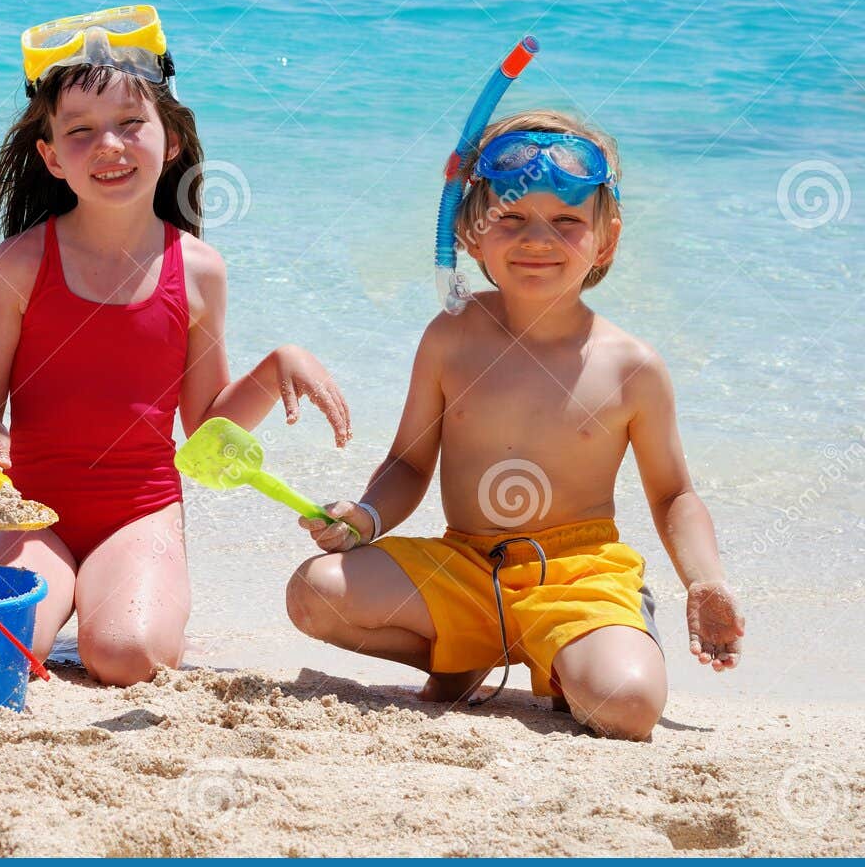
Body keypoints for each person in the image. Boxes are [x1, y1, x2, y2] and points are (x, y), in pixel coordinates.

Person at [286, 108, 744, 739]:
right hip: (465, 567)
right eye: (511, 217)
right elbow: (410, 463)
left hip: (580, 575)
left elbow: (673, 494)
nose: (537, 240)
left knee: (628, 708)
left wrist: (705, 580)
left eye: (567, 221)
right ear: (472, 234)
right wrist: (367, 516)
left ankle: (573, 646)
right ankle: (471, 650)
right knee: (314, 593)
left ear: (606, 240)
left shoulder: (631, 367)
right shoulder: (451, 337)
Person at [0, 5, 351, 686]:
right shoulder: (19, 265)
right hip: (34, 512)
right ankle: (66, 583)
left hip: (139, 512)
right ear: (51, 157)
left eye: (130, 123)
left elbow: (204, 426)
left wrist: (277, 365)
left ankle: (115, 588)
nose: (108, 144)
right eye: (80, 131)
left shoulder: (197, 270)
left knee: (126, 655)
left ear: (171, 142)